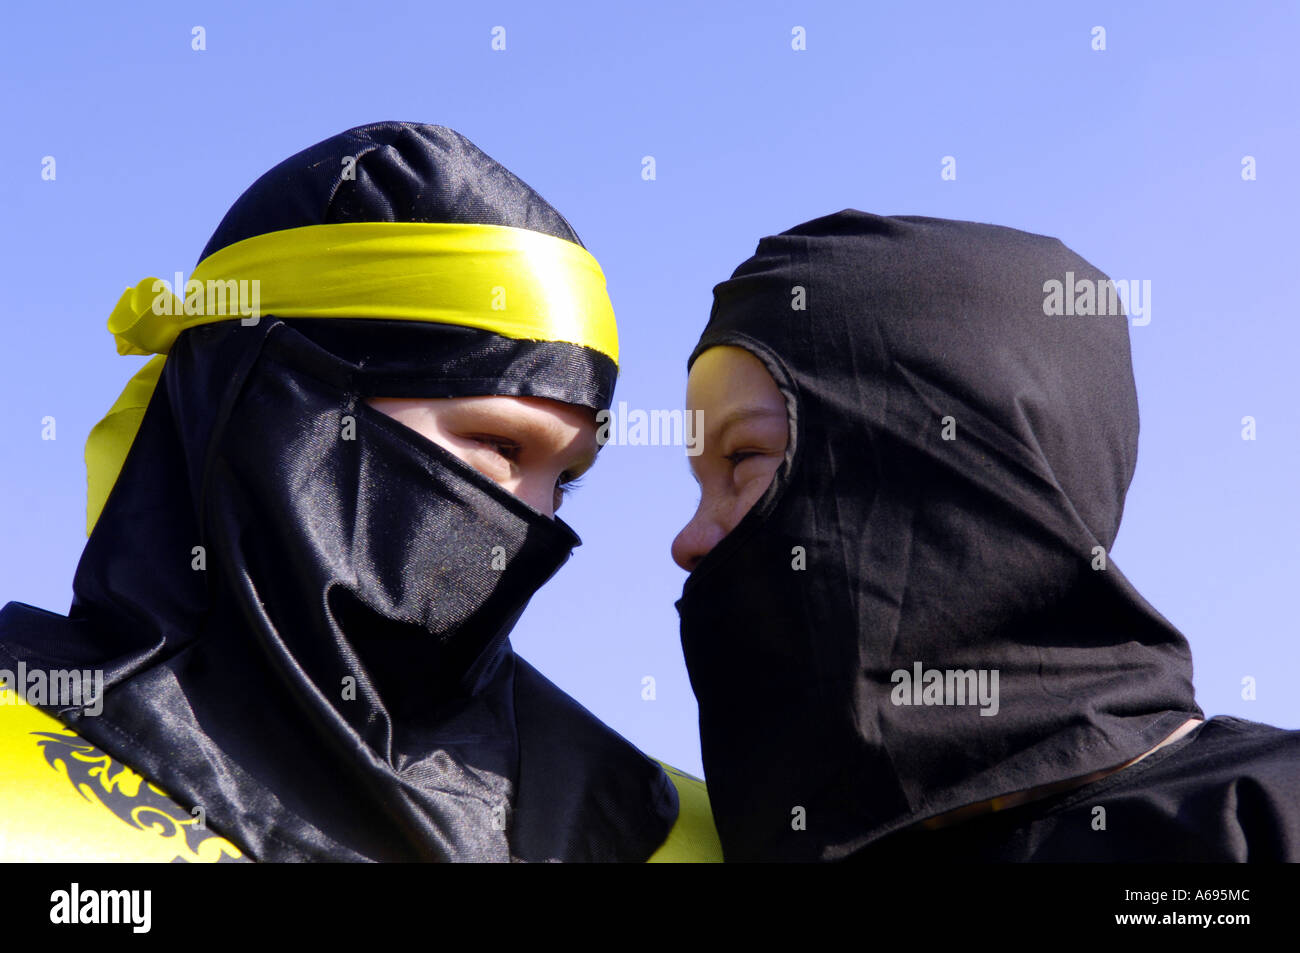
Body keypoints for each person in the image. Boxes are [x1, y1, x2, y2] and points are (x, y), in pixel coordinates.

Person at [0, 121, 720, 862]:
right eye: (500, 445)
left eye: (566, 481)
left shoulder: (665, 830)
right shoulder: (18, 782)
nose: (534, 521)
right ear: (281, 411)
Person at [671, 209, 1300, 862]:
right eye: (698, 481)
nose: (685, 540)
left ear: (946, 463)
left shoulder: (1264, 817)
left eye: (741, 459)